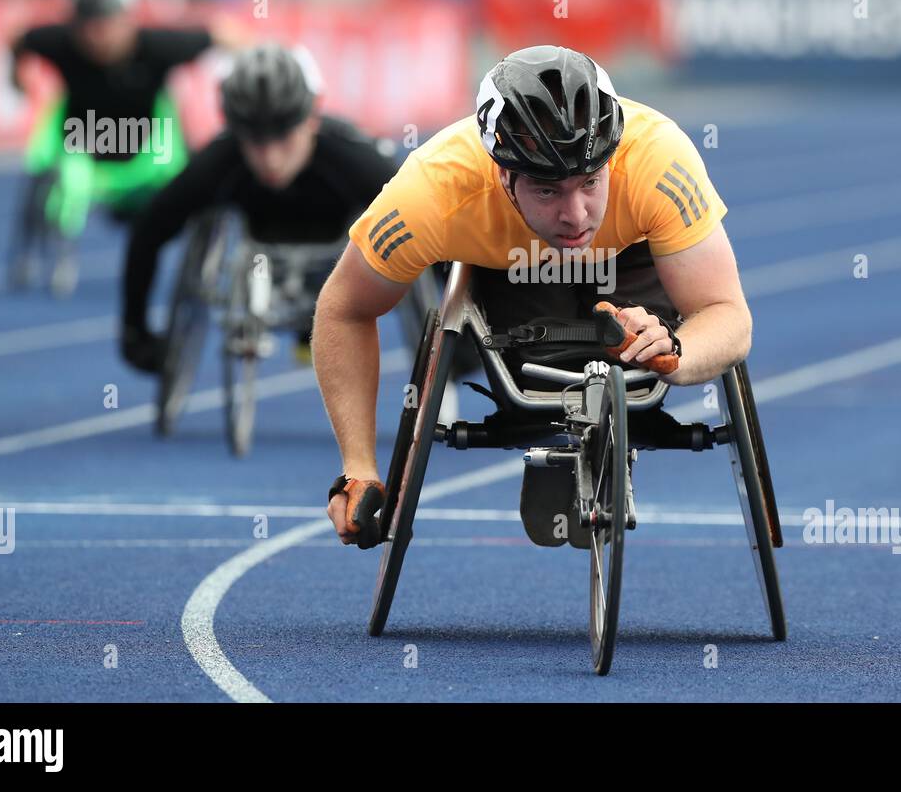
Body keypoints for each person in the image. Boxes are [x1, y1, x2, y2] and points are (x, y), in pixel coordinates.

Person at [313, 44, 752, 548]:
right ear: (503, 175)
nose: (576, 214)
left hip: (634, 265)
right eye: (548, 190)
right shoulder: (433, 191)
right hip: (510, 280)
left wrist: (676, 351)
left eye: (591, 182)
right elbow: (344, 309)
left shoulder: (659, 159)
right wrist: (358, 468)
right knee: (529, 383)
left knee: (640, 375)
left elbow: (727, 315)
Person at [118, 43, 399, 374]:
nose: (271, 159)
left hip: (338, 248)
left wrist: (462, 332)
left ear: (310, 119)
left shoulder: (353, 160)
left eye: (283, 138)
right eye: (255, 141)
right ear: (236, 131)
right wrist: (134, 331)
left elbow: (433, 222)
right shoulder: (220, 162)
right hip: (261, 243)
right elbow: (149, 228)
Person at [9, 0, 243, 292]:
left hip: (148, 161)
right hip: (84, 156)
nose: (96, 37)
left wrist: (253, 65)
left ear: (125, 21)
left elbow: (225, 33)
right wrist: (15, 76)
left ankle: (203, 267)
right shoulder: (63, 44)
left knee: (202, 180)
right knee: (57, 174)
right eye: (87, 26)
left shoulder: (156, 47)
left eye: (105, 25)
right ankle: (48, 255)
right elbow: (19, 38)